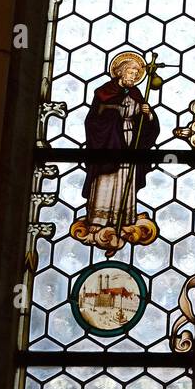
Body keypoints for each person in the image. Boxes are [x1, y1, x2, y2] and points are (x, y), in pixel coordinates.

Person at [73, 50, 159, 249]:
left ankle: (123, 218)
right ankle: (99, 219)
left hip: (130, 141)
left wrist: (147, 114)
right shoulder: (104, 92)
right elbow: (92, 121)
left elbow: (148, 126)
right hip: (109, 144)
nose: (133, 77)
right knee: (108, 178)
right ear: (120, 72)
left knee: (125, 176)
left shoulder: (137, 94)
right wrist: (114, 117)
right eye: (130, 73)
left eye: (136, 74)